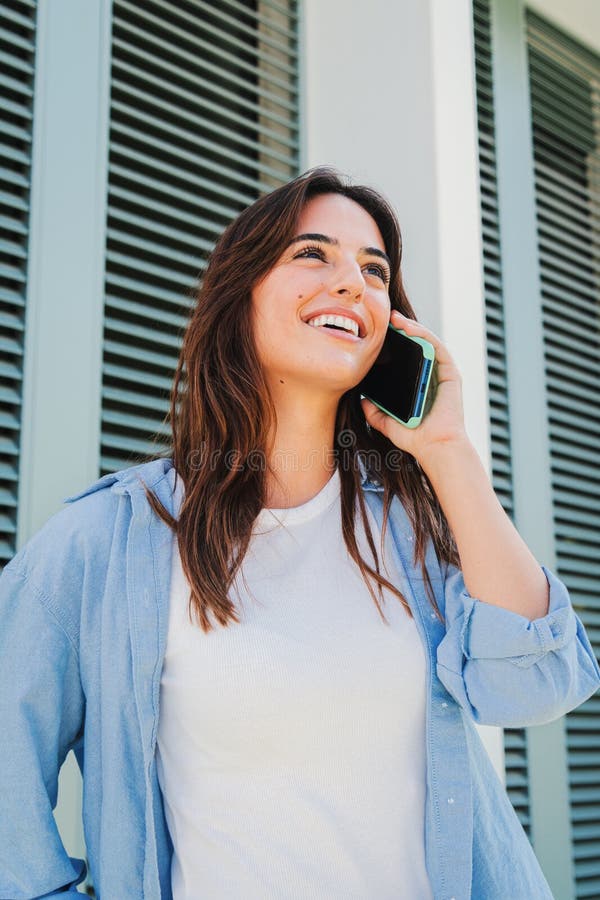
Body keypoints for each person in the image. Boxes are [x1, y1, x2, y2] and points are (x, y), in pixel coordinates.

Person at [1, 167, 598, 900]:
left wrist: (449, 450)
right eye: (312, 254)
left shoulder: (413, 529)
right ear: (240, 293)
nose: (352, 281)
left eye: (375, 270)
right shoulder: (104, 543)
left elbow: (535, 688)